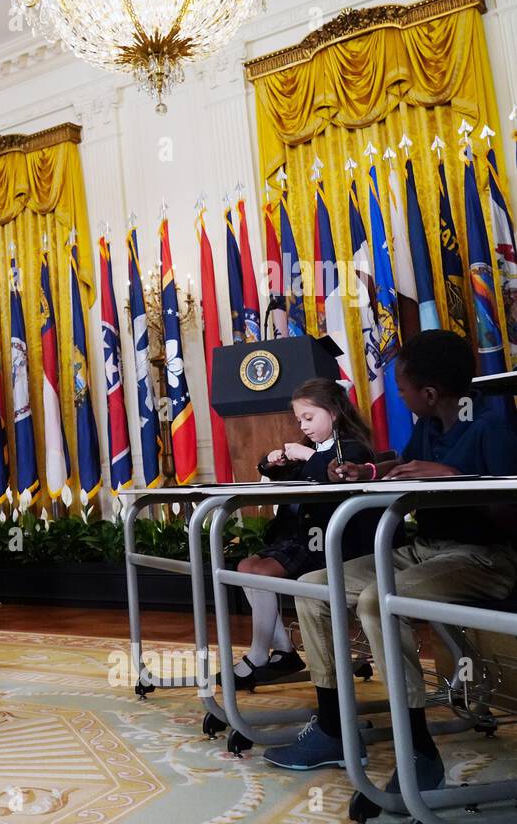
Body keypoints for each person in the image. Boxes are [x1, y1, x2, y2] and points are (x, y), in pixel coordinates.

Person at [264, 331, 517, 794]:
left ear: (430, 393)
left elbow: (511, 513)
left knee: (379, 602)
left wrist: (457, 477)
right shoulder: (428, 427)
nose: (398, 396)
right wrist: (369, 472)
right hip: (427, 549)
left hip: (485, 557)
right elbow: (406, 466)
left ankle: (417, 749)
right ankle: (333, 729)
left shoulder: (491, 426)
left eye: (401, 388)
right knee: (315, 587)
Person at [219, 379, 376, 689]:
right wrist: (271, 463)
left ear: (333, 412)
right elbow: (284, 473)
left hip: (328, 539)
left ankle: (260, 654)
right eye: (299, 420)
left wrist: (306, 457)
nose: (303, 426)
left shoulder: (351, 447)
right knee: (246, 568)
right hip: (299, 536)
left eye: (309, 418)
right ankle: (284, 651)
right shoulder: (312, 449)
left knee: (258, 572)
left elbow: (336, 471)